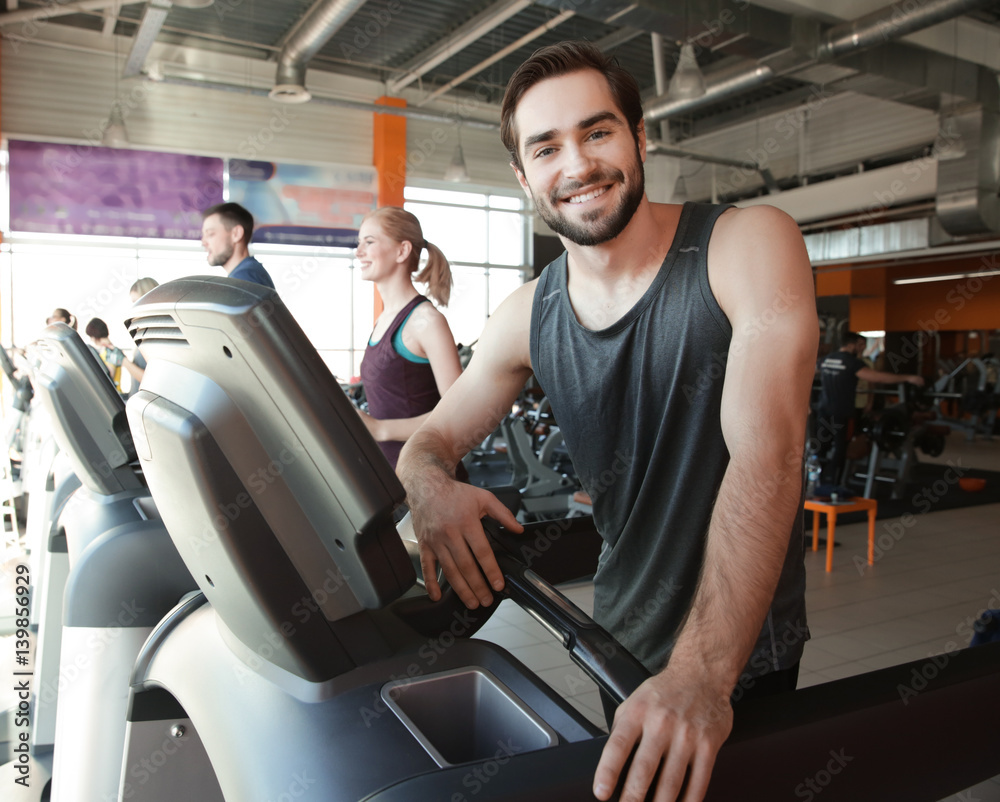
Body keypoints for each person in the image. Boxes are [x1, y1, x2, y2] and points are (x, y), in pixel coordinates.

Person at [396, 40, 818, 802]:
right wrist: (429, 484)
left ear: (639, 137)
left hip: (740, 649)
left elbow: (770, 457)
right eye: (547, 147)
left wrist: (701, 674)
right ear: (524, 177)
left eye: (598, 132)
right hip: (615, 636)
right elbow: (432, 438)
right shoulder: (527, 313)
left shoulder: (745, 244)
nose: (579, 164)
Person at [355, 207, 463, 469]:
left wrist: (380, 429)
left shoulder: (426, 321)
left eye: (369, 242)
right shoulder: (384, 319)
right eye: (359, 243)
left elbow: (461, 413)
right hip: (392, 474)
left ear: (402, 251)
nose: (359, 252)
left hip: (427, 477)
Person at [817, 331, 924, 486]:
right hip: (842, 414)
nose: (862, 349)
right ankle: (833, 485)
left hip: (824, 411)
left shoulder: (827, 360)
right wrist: (908, 378)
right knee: (841, 449)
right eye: (860, 345)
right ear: (852, 344)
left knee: (821, 448)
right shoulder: (852, 362)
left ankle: (817, 482)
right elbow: (877, 377)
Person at [200, 202, 275, 289]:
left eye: (210, 234)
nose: (203, 242)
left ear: (236, 234)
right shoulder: (251, 273)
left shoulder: (243, 279)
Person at [121, 277, 159, 393]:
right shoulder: (145, 331)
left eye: (137, 302)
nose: (134, 308)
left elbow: (153, 381)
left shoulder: (157, 334)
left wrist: (124, 362)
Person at [85, 317, 127, 393]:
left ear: (94, 337)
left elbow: (108, 379)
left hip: (115, 395)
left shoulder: (110, 351)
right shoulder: (111, 349)